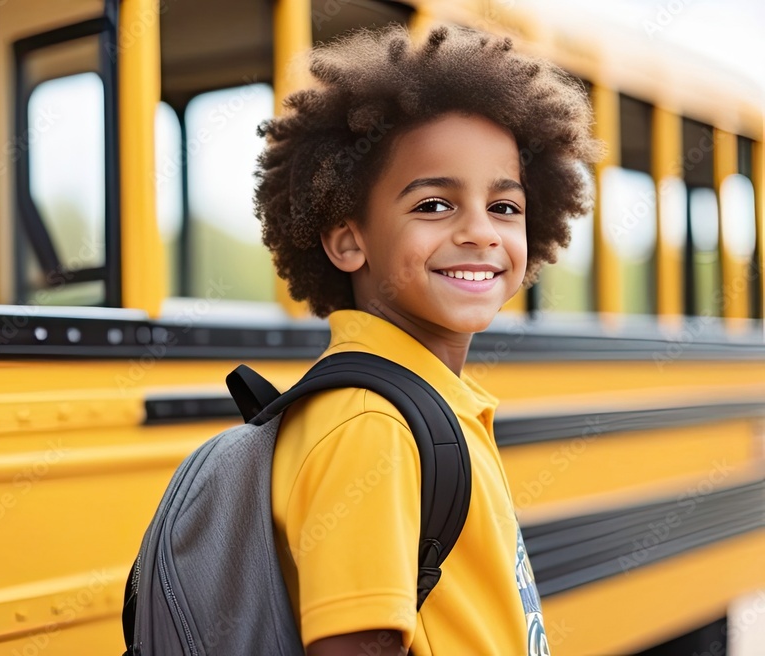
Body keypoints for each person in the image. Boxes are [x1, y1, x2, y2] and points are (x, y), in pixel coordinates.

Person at [254, 24, 602, 656]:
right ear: (346, 239)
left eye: (504, 207)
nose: (480, 233)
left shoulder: (433, 400)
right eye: (434, 206)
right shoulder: (371, 424)